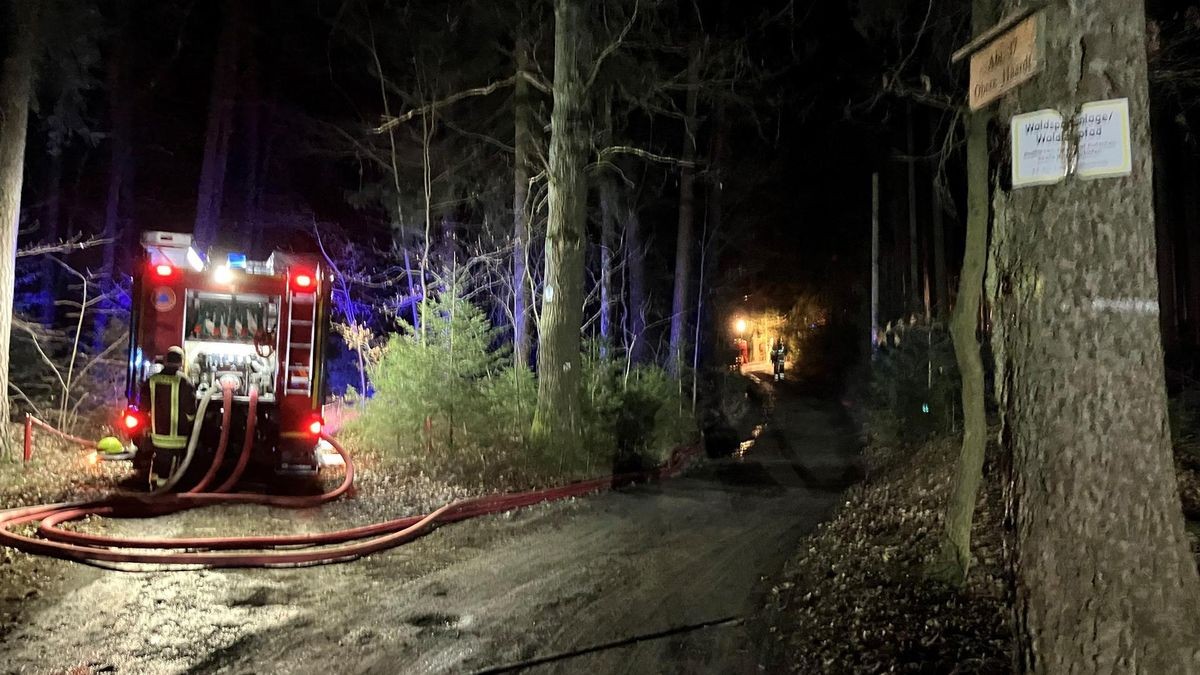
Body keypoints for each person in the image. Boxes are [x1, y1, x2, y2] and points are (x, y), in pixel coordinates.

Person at [140, 346, 197, 488]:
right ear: (181, 362)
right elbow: (190, 409)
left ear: (166, 360)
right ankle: (164, 492)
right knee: (171, 466)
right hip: (177, 437)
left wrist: (147, 424)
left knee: (159, 460)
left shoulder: (152, 380)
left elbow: (143, 405)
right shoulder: (185, 381)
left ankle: (153, 486)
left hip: (157, 435)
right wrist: (190, 421)